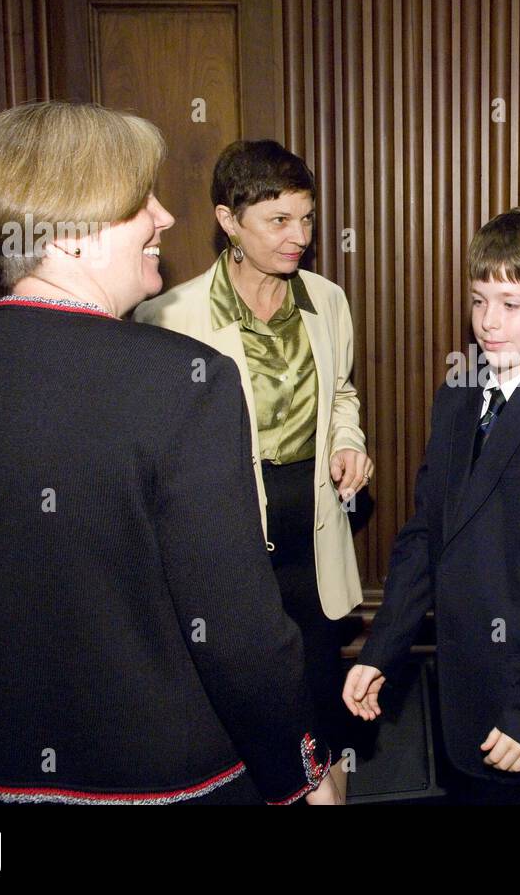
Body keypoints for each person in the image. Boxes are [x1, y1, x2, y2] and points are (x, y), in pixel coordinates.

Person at [0, 101, 336, 804]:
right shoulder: (184, 383)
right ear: (72, 233)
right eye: (142, 200)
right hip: (160, 785)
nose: (166, 218)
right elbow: (239, 638)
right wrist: (302, 774)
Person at [342, 209, 520, 804]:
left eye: (510, 304)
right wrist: (383, 650)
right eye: (479, 301)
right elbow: (427, 534)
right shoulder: (456, 394)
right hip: (463, 701)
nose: (487, 323)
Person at [134, 140, 370, 801]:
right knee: (239, 694)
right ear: (229, 220)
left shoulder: (327, 299)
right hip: (225, 533)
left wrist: (348, 439)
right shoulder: (168, 317)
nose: (300, 237)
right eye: (279, 220)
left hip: (314, 535)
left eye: (308, 218)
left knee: (318, 694)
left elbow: (343, 391)